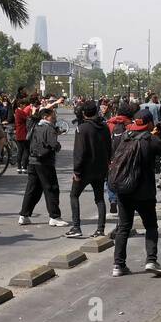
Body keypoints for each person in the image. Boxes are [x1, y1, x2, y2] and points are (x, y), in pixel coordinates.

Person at [111, 109, 161, 277]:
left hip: (123, 190)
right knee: (151, 226)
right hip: (144, 192)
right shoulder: (151, 140)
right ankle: (151, 261)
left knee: (123, 228)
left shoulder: (124, 136)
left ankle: (118, 265)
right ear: (150, 123)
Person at [66, 101, 111, 239]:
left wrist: (77, 172)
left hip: (85, 170)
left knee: (74, 195)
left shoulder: (82, 128)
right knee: (99, 199)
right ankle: (100, 229)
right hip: (100, 169)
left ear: (84, 113)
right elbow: (109, 148)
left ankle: (76, 227)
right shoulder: (104, 127)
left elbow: (79, 152)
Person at [18, 107, 68, 227]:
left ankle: (24, 215)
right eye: (52, 115)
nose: (54, 117)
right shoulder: (48, 128)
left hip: (32, 162)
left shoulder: (35, 126)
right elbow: (54, 144)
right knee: (51, 188)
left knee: (32, 190)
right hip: (45, 163)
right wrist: (58, 145)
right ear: (45, 117)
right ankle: (54, 216)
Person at [106, 102, 138, 214]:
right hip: (127, 158)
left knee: (111, 179)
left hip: (111, 158)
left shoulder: (109, 124)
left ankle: (113, 200)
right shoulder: (131, 126)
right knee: (126, 179)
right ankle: (123, 204)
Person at [13, 94, 35, 173]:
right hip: (23, 133)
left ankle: (19, 167)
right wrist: (33, 112)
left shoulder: (17, 111)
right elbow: (28, 118)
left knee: (20, 151)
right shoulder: (20, 112)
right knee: (26, 151)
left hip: (19, 133)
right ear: (21, 105)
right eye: (24, 105)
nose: (25, 107)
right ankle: (24, 167)